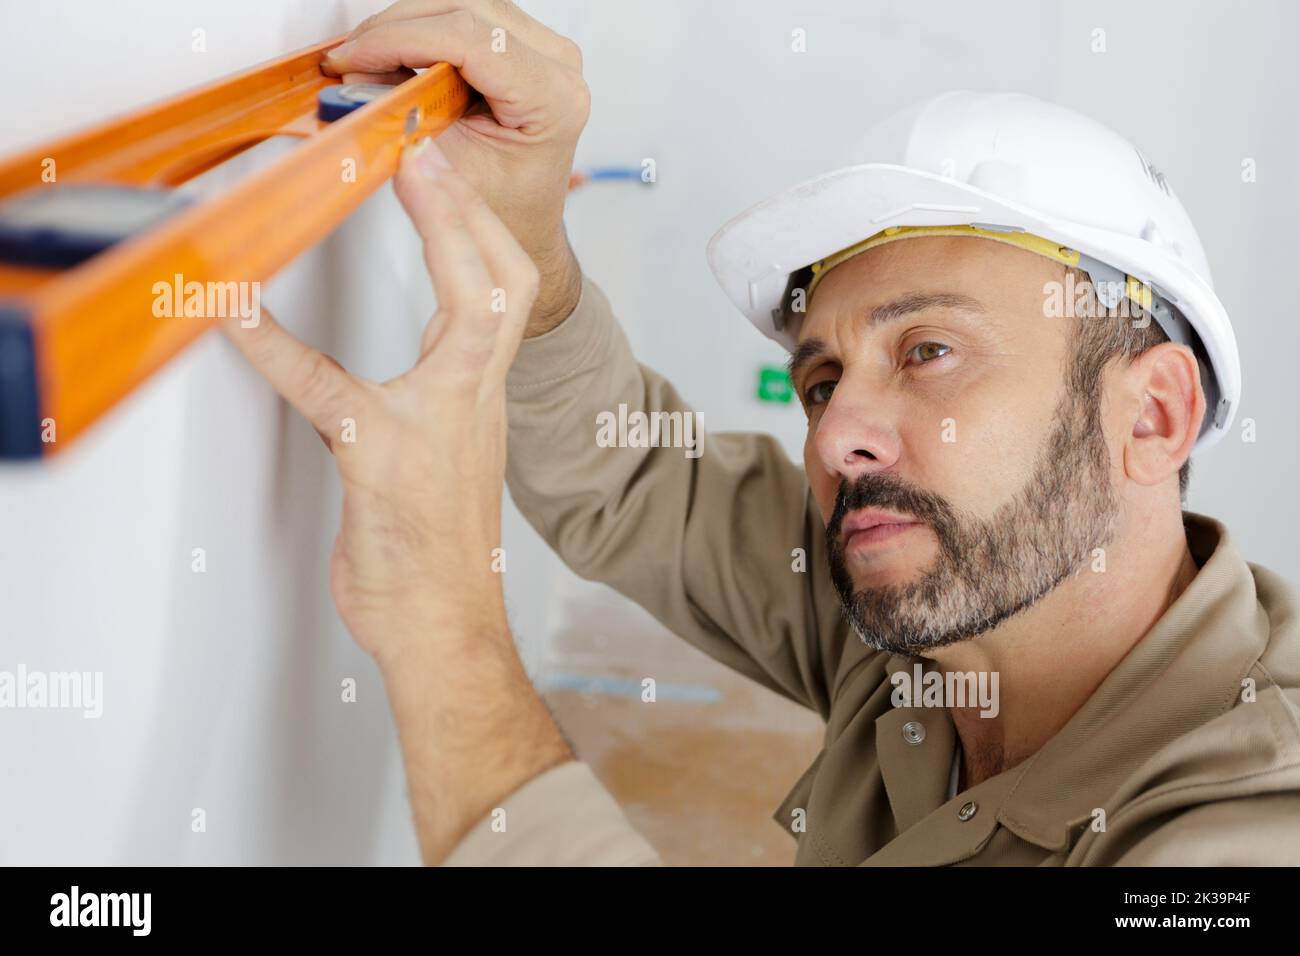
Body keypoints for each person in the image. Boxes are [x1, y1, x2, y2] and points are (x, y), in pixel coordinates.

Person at [223, 1, 1300, 866]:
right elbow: (644, 483)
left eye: (927, 350)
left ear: (1151, 415)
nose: (837, 437)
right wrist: (526, 238)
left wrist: (443, 629)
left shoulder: (1245, 825)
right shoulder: (939, 618)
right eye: (822, 379)